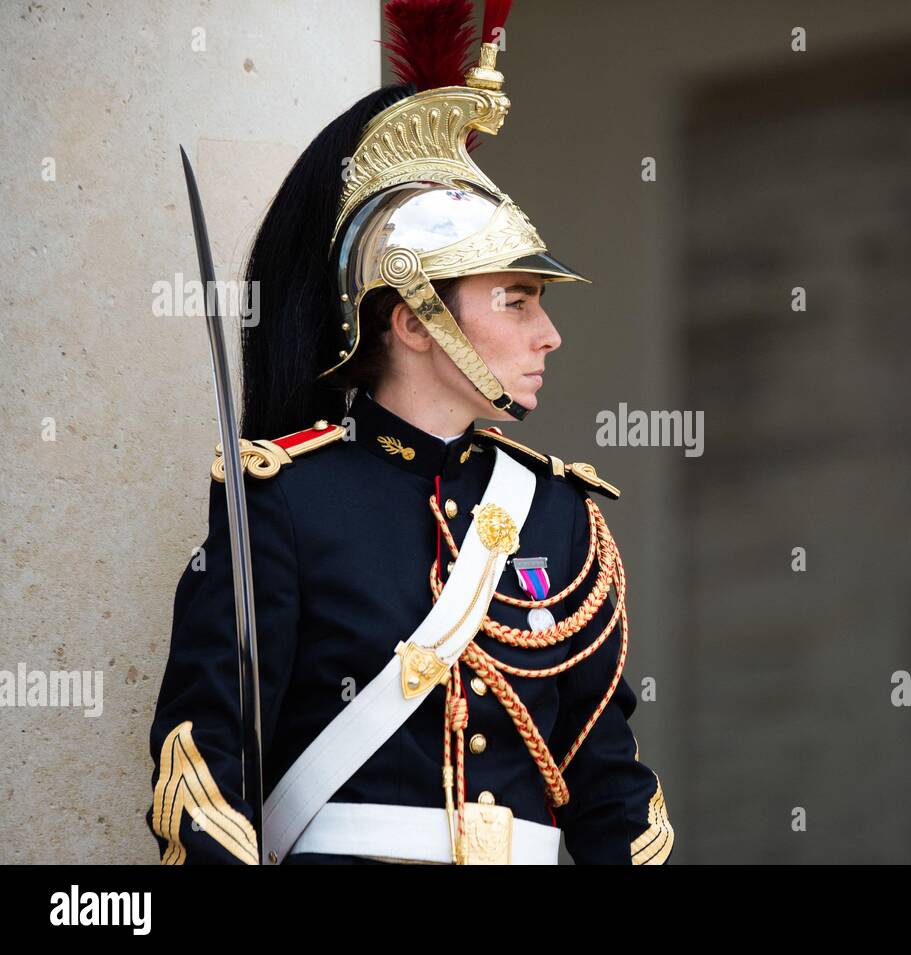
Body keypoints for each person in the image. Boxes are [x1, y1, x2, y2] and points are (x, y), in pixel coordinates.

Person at [145, 0, 673, 865]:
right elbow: (209, 772)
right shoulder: (287, 501)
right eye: (518, 300)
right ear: (415, 321)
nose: (549, 335)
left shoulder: (559, 516)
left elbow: (609, 786)